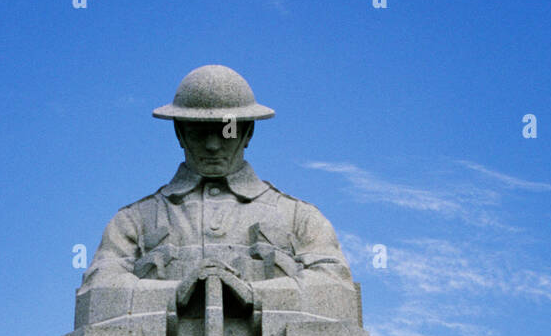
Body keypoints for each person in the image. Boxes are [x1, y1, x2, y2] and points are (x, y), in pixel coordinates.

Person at [79, 64, 354, 314]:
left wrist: (255, 295)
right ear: (180, 133)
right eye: (200, 130)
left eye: (227, 131)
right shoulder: (133, 220)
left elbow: (337, 289)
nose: (213, 145)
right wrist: (174, 294)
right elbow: (98, 291)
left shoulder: (299, 217)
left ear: (248, 133)